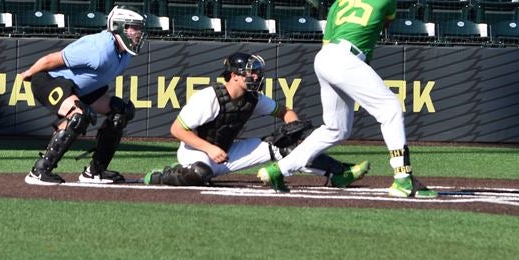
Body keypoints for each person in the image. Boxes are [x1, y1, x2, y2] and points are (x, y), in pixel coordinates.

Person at [258, 0, 437, 198]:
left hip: (326, 57)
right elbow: (382, 24)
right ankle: (403, 178)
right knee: (390, 109)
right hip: (346, 57)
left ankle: (281, 168)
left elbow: (331, 41)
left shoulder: (340, 0)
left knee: (336, 129)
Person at [143, 52, 370, 187]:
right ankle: (163, 176)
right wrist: (209, 149)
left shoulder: (253, 98)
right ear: (234, 76)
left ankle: (340, 173)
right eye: (250, 73)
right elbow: (177, 130)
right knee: (199, 174)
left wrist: (294, 132)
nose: (256, 76)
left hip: (229, 151)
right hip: (197, 153)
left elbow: (285, 111)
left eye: (256, 72)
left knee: (288, 146)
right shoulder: (209, 97)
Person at [19, 5, 147, 185]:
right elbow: (51, 60)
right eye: (135, 27)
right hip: (49, 81)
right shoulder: (98, 49)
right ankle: (40, 171)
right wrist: (28, 74)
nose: (139, 33)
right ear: (120, 26)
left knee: (122, 112)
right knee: (78, 116)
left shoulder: (125, 54)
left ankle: (95, 172)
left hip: (81, 90)